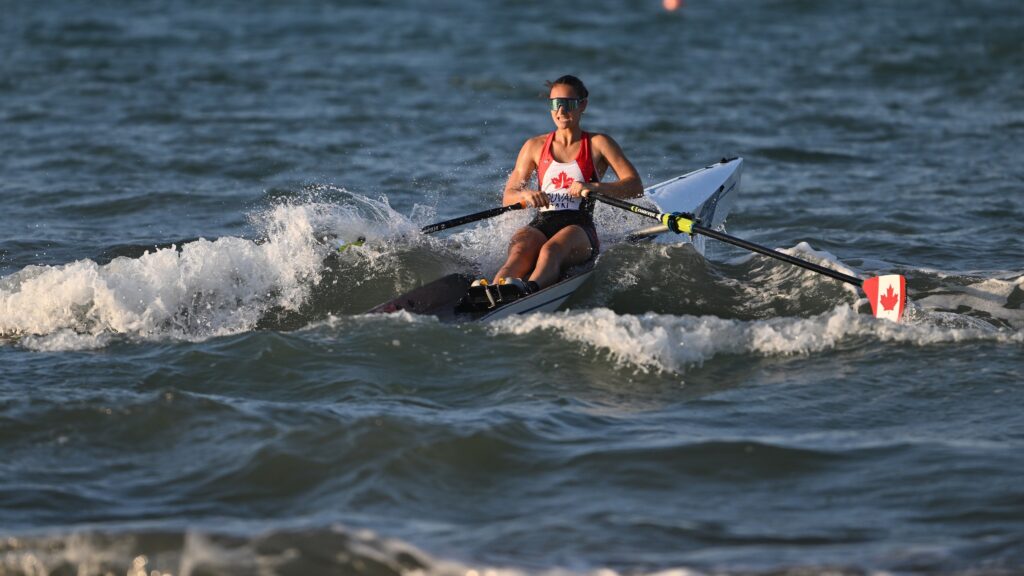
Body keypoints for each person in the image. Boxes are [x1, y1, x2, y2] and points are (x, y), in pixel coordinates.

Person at [480, 75, 644, 296]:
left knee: (551, 250)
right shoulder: (534, 146)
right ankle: (494, 289)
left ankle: (529, 292)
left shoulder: (598, 143)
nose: (561, 110)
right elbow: (509, 196)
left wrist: (595, 187)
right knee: (520, 248)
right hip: (542, 221)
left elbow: (635, 186)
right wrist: (526, 196)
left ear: (583, 105)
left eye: (568, 104)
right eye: (555, 103)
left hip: (580, 227)